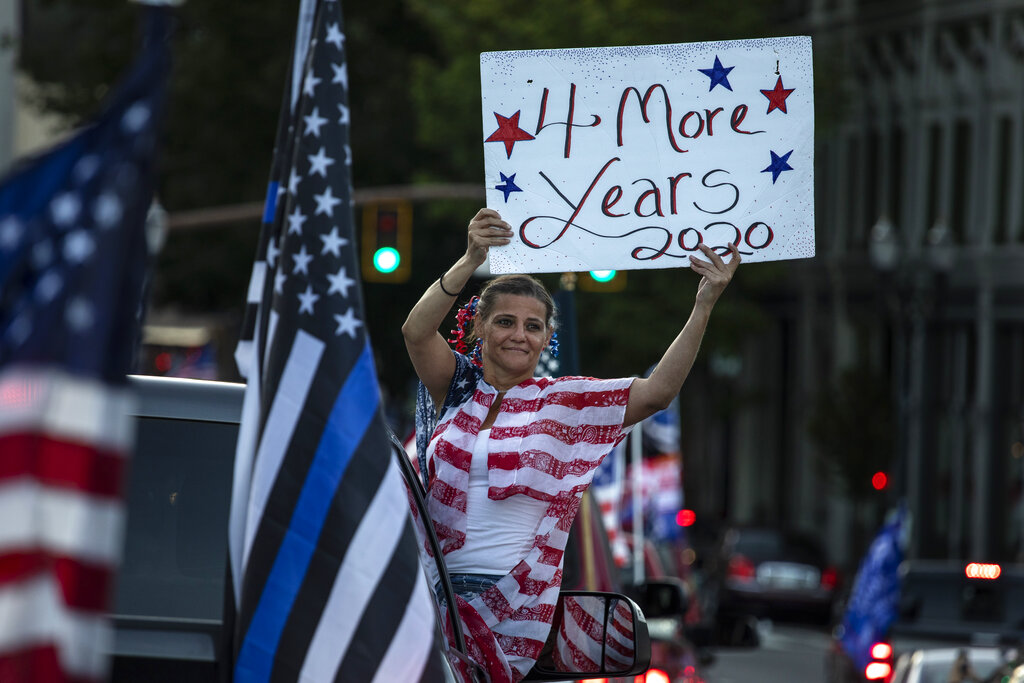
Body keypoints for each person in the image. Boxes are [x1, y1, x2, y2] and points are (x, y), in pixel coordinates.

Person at [402, 207, 739, 681]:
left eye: (533, 326)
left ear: (546, 341)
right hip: (428, 596)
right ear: (480, 328)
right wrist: (470, 258)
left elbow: (657, 392)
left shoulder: (566, 402)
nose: (519, 334)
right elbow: (416, 333)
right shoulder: (458, 387)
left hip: (512, 604)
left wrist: (704, 304)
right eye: (505, 321)